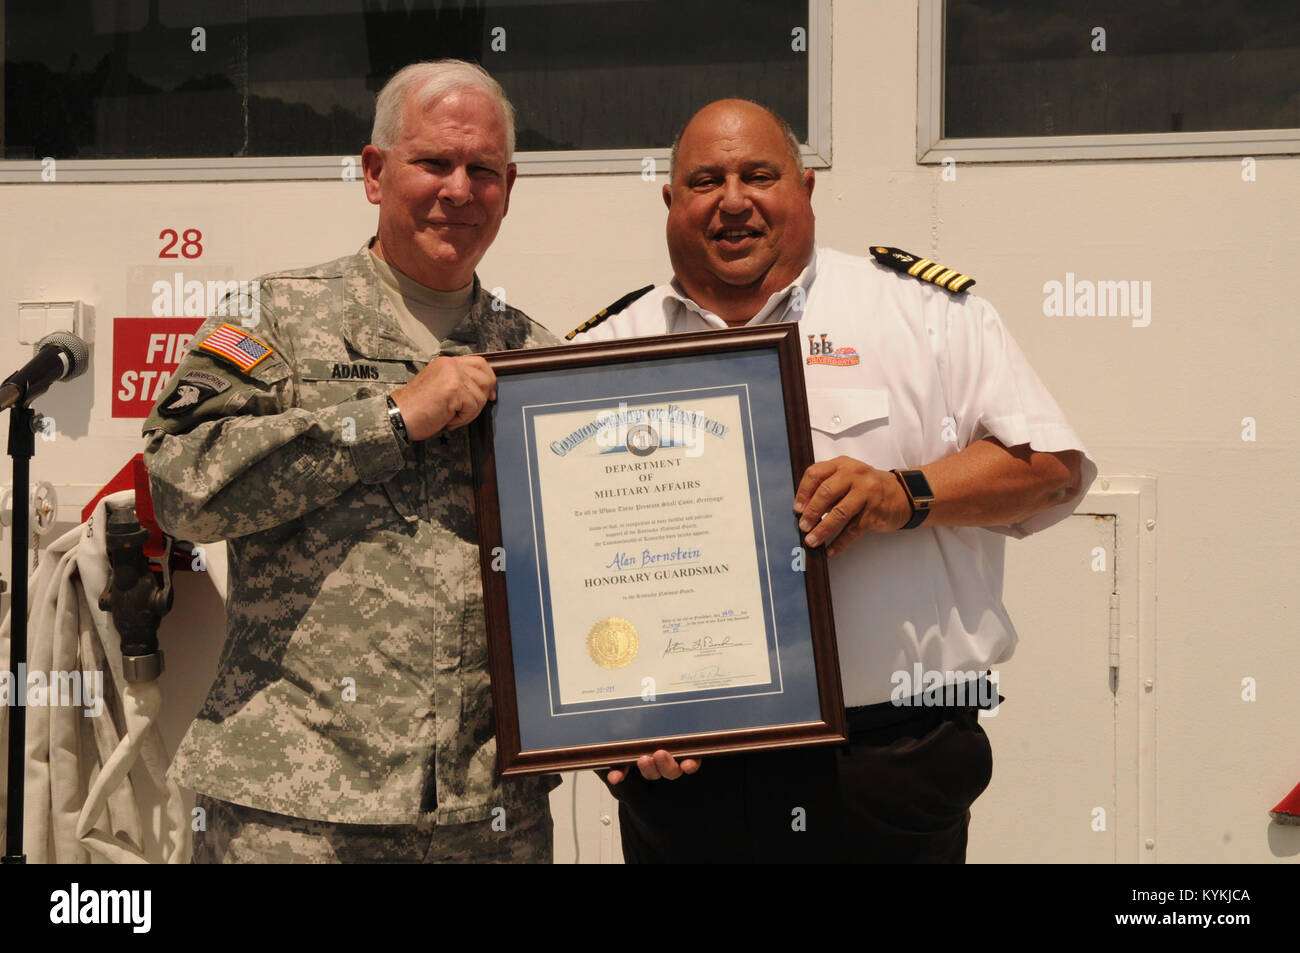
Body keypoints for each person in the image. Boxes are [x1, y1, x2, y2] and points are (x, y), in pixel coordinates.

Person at [568, 99, 1098, 863]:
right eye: (706, 181)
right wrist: (609, 718)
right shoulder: (606, 349)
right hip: (686, 772)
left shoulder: (924, 316)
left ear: (807, 188)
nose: (733, 201)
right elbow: (570, 558)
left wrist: (904, 495)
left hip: (886, 760)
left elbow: (1052, 471)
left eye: (759, 175)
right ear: (671, 199)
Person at [143, 60, 560, 863]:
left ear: (508, 187)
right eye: (433, 162)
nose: (459, 190)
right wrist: (389, 420)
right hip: (295, 812)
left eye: (482, 170)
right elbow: (179, 485)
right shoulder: (275, 316)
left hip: (487, 815)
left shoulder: (536, 353)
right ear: (374, 173)